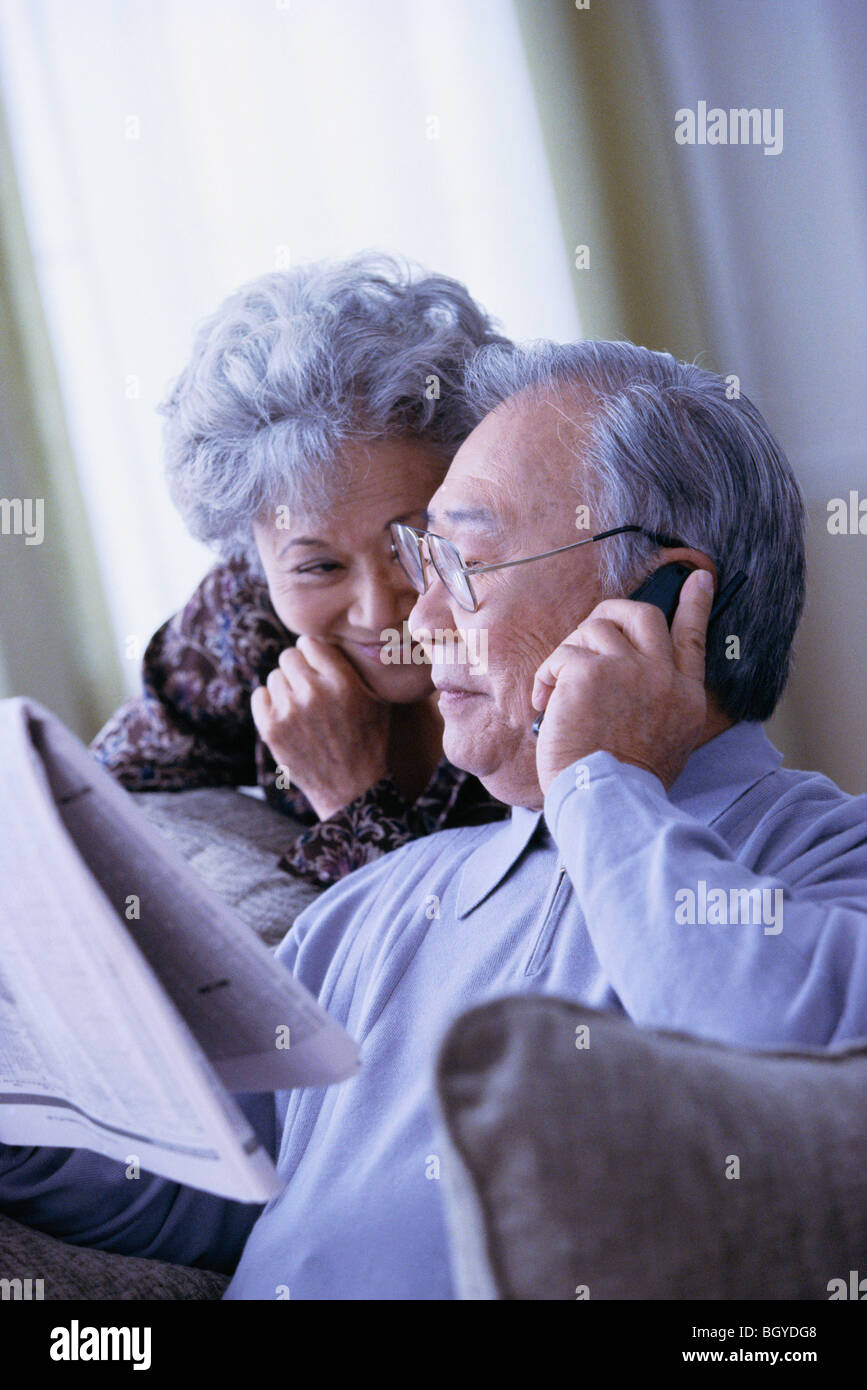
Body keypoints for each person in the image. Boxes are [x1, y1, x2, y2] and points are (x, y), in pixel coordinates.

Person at [3, 340, 866, 1299]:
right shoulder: (377, 905)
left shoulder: (828, 859)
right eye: (430, 562)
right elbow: (204, 1183)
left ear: (656, 602)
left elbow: (795, 1090)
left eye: (463, 563)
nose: (420, 621)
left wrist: (597, 780)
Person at [91, 254, 509, 886]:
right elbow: (91, 798)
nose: (377, 610)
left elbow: (461, 961)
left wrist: (349, 800)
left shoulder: (540, 646)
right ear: (251, 559)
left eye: (416, 543)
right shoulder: (246, 619)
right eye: (318, 566)